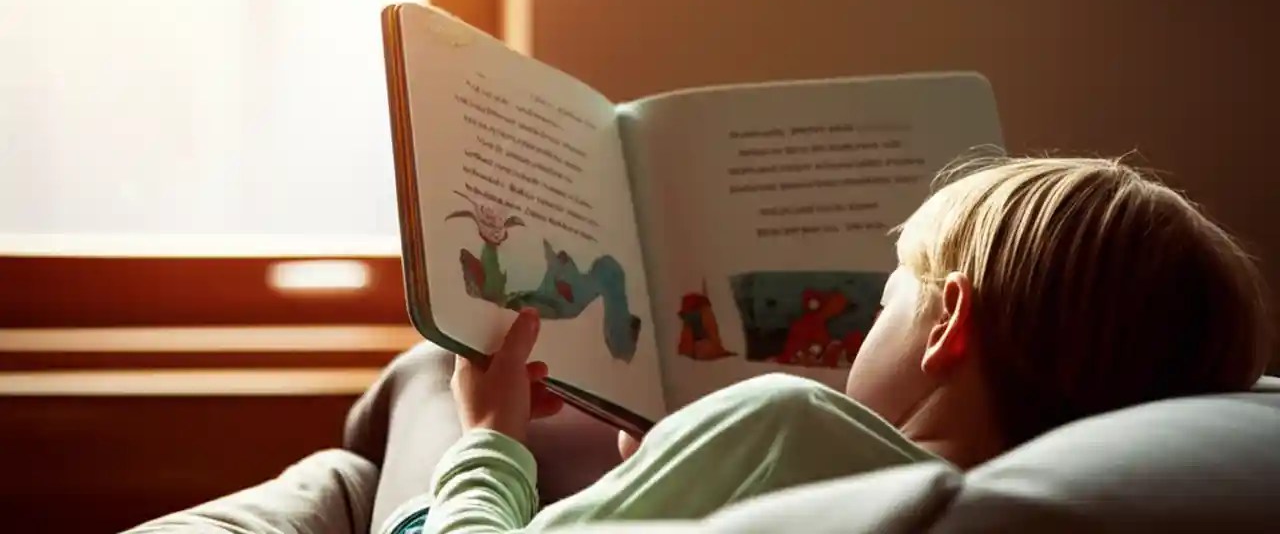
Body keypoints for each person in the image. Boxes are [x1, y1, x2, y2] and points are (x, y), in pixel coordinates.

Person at [382, 156, 1273, 534]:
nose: (855, 338)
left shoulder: (786, 425)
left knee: (428, 374)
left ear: (949, 327)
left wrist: (490, 443)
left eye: (888, 298)